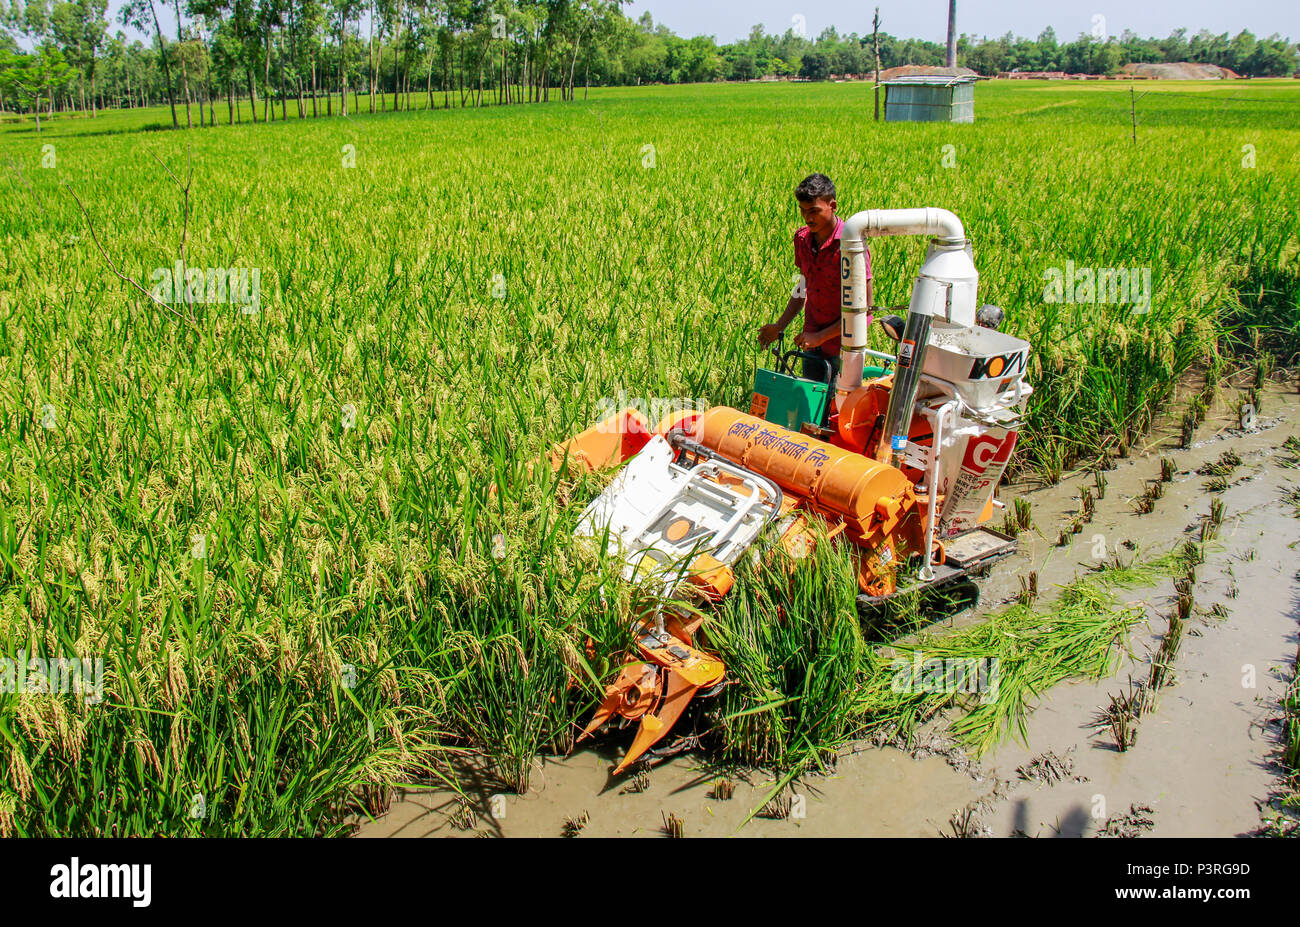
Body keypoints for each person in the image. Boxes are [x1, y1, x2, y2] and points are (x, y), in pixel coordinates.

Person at [758, 173, 872, 391]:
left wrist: (821, 336)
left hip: (844, 343)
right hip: (811, 337)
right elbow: (802, 287)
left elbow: (864, 309)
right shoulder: (802, 239)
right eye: (802, 210)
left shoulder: (850, 245)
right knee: (810, 399)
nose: (807, 218)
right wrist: (780, 326)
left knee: (836, 404)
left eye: (814, 211)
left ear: (833, 205)